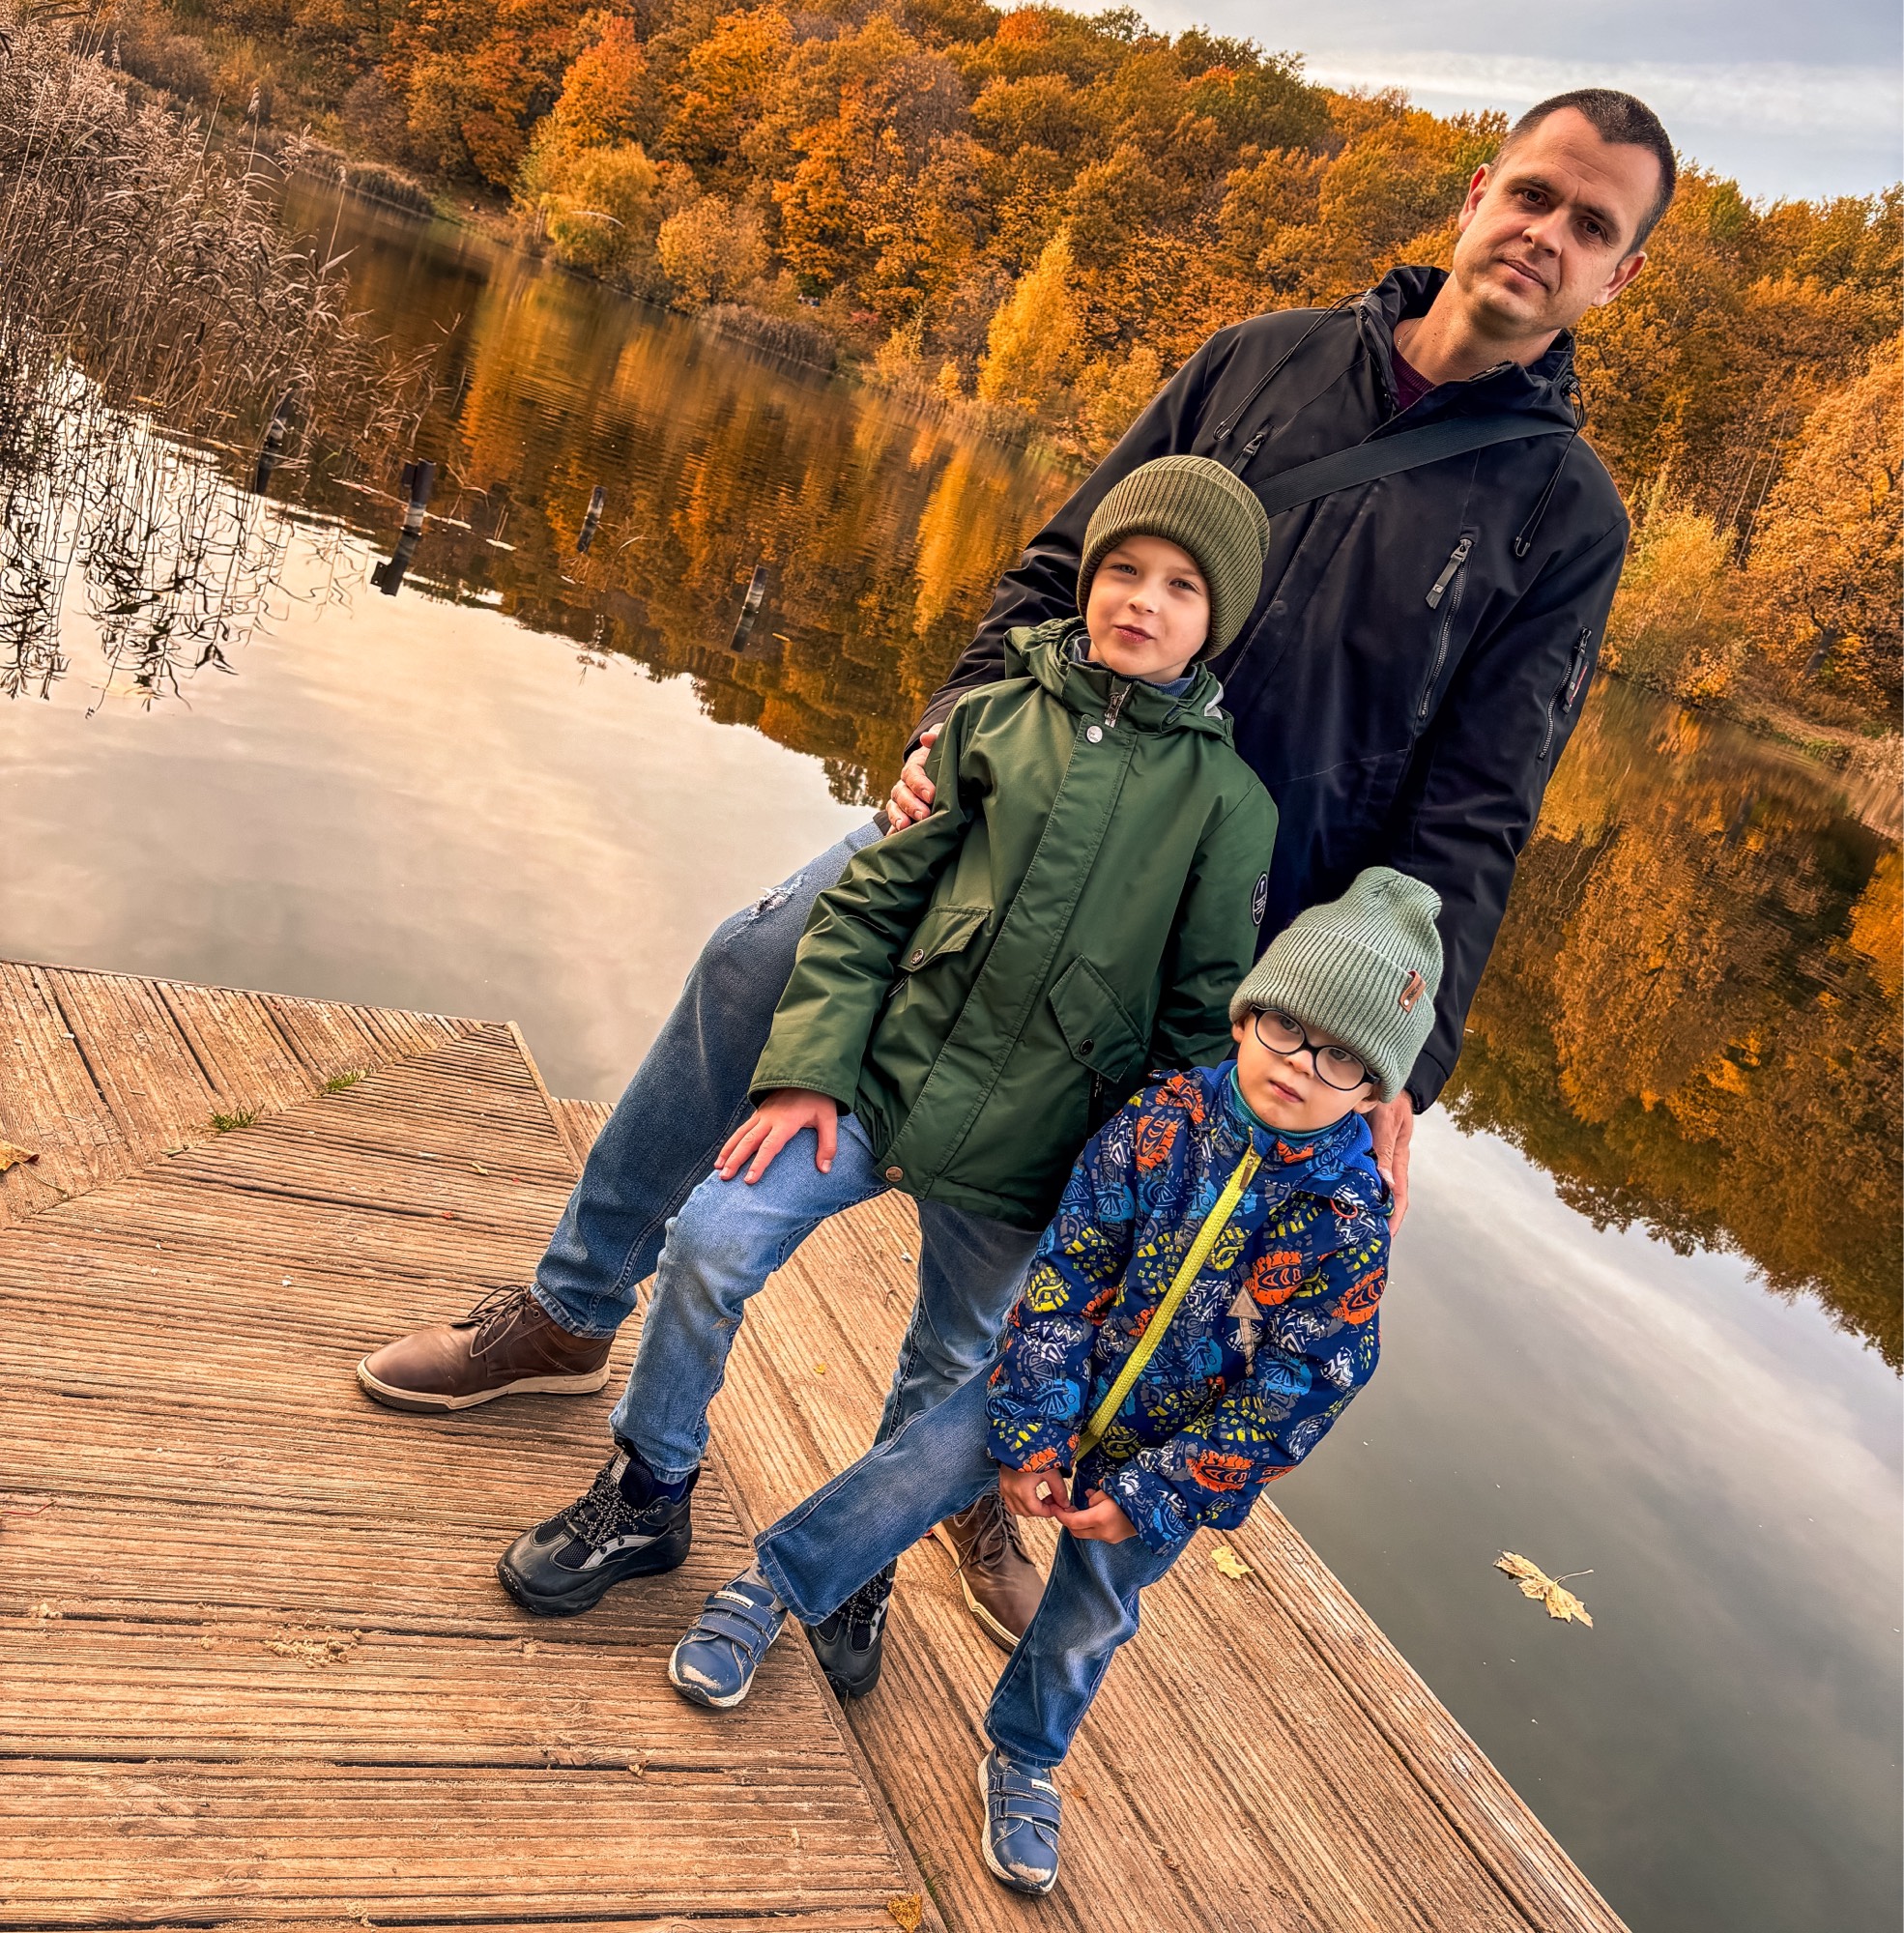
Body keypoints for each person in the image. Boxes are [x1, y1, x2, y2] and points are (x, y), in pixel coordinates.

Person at [356, 87, 1676, 1651]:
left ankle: (966, 1475)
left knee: (1084, 1197)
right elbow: (1062, 559)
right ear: (1476, 197)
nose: (1548, 233)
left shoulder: (1561, 515)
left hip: (1234, 922)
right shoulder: (1260, 361)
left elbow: (1477, 808)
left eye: (1594, 226)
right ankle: (577, 1307)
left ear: (1620, 277)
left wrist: (1400, 1055)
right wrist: (954, 719)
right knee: (749, 963)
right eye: (1535, 193)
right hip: (1025, 803)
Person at [478, 456, 1281, 1694]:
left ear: (1215, 620)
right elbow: (862, 909)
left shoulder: (1230, 807)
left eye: (1179, 586)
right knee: (709, 1239)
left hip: (1031, 1161)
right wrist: (805, 1073)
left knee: (953, 1366)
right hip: (880, 1088)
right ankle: (649, 1487)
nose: (1140, 599)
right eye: (1121, 568)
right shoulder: (990, 722)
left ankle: (859, 1560)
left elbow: (1188, 1039)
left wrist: (1127, 1209)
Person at [664, 870, 1443, 1898]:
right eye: (1287, 1026)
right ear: (1248, 1014)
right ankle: (774, 1584)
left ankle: (1024, 1754)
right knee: (910, 1473)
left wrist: (1159, 1490)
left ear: (1375, 1089)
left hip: (1166, 1459)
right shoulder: (1159, 1118)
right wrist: (1034, 1429)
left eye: (1341, 1054)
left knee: (1091, 1614)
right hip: (1047, 1384)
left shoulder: (1349, 1219)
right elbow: (1067, 1270)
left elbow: (1301, 1387)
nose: (1302, 1062)